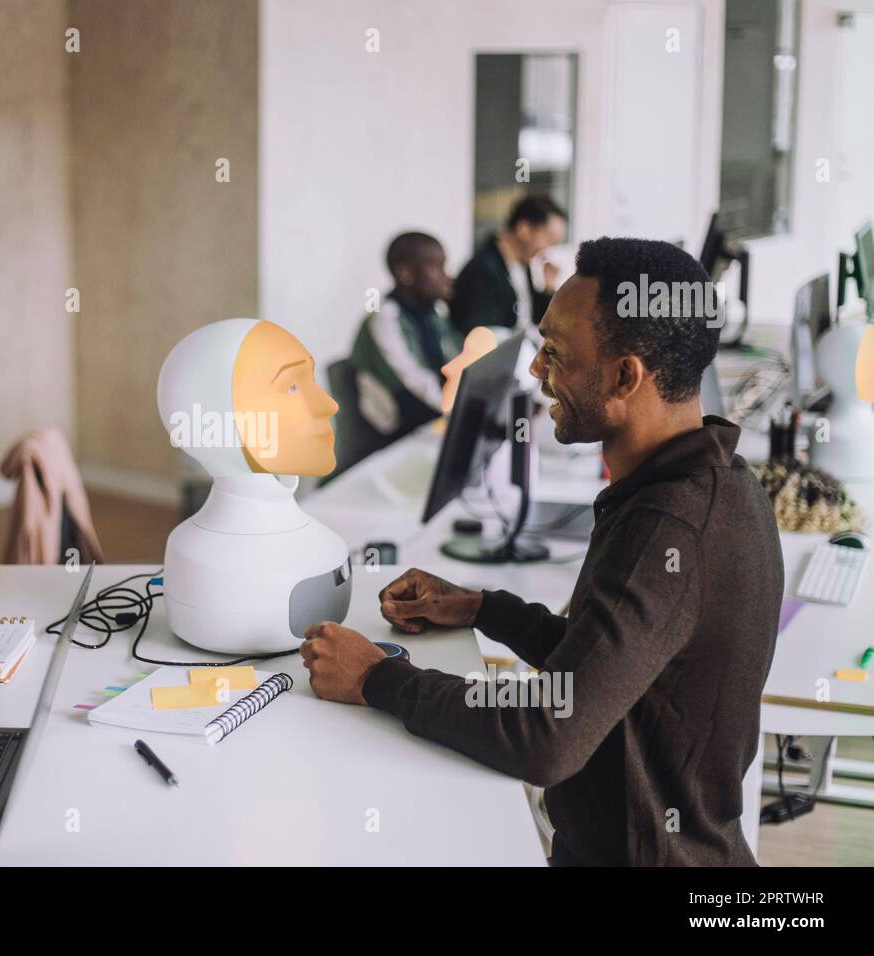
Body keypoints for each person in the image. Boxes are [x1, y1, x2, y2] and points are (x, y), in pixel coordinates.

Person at [300, 237, 785, 866]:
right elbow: (612, 665)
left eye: (554, 353)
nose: (535, 371)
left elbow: (544, 737)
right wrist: (483, 608)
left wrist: (375, 677)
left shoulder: (666, 529)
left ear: (624, 375)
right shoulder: (718, 484)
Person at [349, 232, 463, 447]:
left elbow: (456, 357)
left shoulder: (432, 313)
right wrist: (457, 407)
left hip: (432, 417)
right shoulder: (385, 317)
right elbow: (414, 380)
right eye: (437, 268)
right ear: (406, 273)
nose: (446, 277)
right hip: (394, 433)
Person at [450, 195, 567, 335]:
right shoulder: (482, 269)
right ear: (524, 230)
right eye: (549, 240)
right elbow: (481, 331)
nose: (548, 249)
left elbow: (534, 319)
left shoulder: (521, 266)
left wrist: (549, 287)